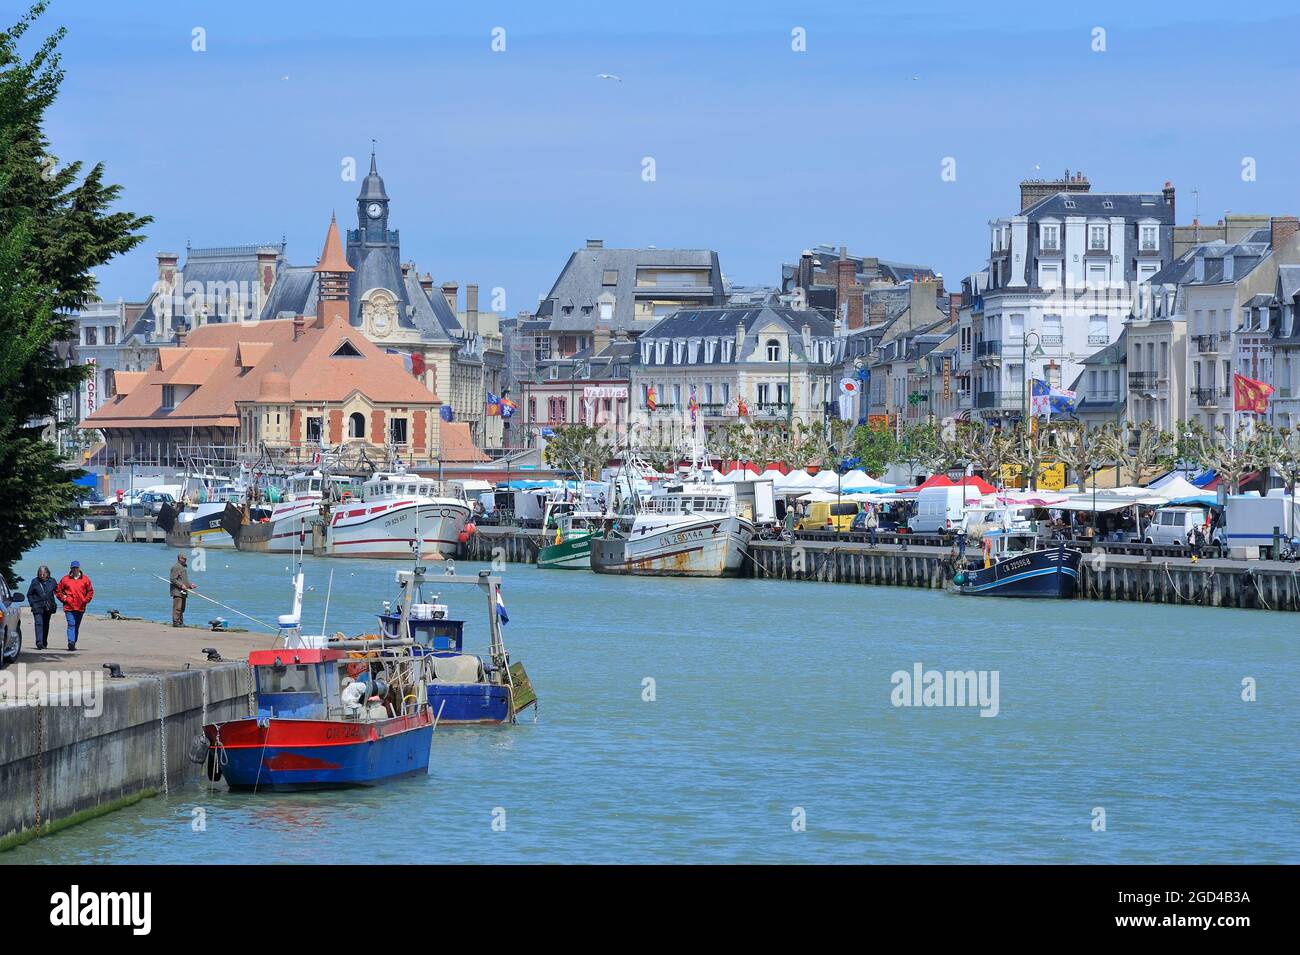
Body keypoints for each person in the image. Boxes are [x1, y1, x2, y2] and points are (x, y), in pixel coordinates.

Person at [55, 560, 93, 651]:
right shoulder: (65, 579)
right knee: (71, 624)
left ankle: (73, 643)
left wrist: (85, 600)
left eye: (76, 568)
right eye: (73, 568)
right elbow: (58, 591)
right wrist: (64, 599)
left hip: (80, 607)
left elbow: (90, 592)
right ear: (71, 568)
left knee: (76, 626)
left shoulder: (85, 579)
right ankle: (71, 642)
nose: (75, 569)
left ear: (79, 568)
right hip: (69, 606)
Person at [26, 565, 57, 650]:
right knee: (38, 623)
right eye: (40, 574)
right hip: (37, 606)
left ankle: (44, 642)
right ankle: (39, 642)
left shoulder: (52, 581)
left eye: (43, 574)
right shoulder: (35, 581)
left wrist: (65, 598)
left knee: (46, 624)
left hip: (48, 607)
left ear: (47, 573)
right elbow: (29, 594)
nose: (42, 575)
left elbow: (58, 592)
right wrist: (32, 603)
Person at [170, 553, 198, 627]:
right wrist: (180, 585)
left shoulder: (183, 567)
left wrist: (190, 586)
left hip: (183, 591)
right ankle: (175, 622)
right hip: (177, 591)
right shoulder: (176, 567)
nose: (185, 560)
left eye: (185, 559)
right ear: (179, 558)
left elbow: (184, 581)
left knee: (182, 608)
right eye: (183, 559)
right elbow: (173, 579)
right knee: (177, 608)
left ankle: (180, 622)